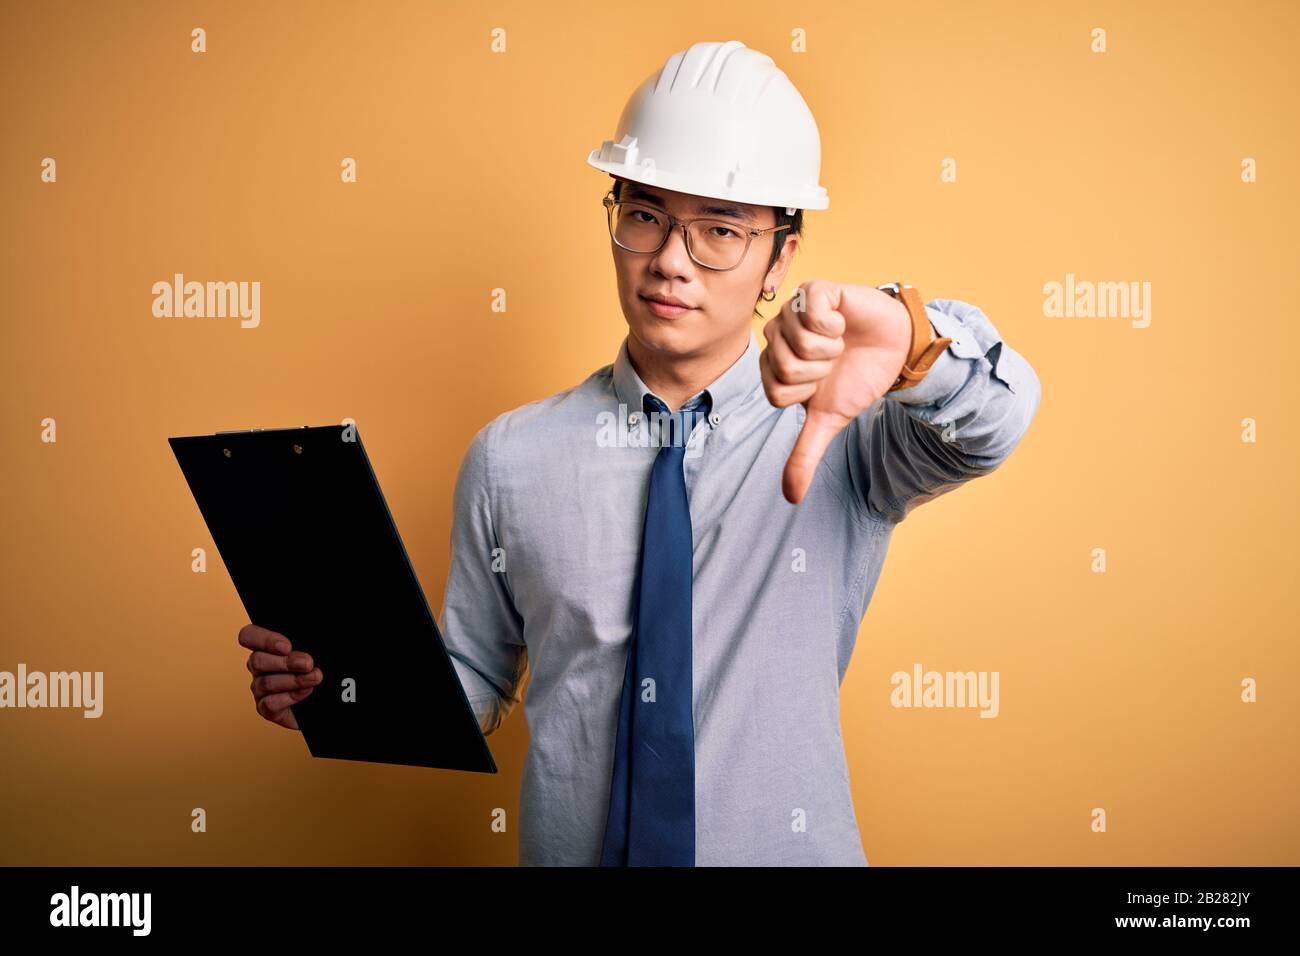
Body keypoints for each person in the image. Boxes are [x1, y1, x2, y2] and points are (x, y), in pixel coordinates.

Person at [241, 39, 1041, 866]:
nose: (669, 262)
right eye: (645, 214)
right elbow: (475, 679)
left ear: (781, 258)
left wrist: (912, 340)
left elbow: (998, 421)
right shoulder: (509, 460)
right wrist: (346, 691)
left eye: (720, 230)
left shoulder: (846, 434)